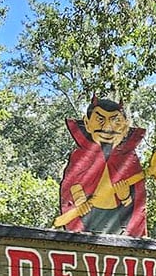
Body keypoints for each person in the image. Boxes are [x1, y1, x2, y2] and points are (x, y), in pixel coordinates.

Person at [55, 96, 148, 237]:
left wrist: (126, 198)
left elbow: (138, 205)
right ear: (87, 123)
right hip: (88, 220)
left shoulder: (130, 160)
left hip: (117, 221)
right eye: (100, 120)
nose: (107, 127)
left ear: (125, 127)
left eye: (116, 121)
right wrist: (79, 201)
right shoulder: (80, 157)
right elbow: (70, 188)